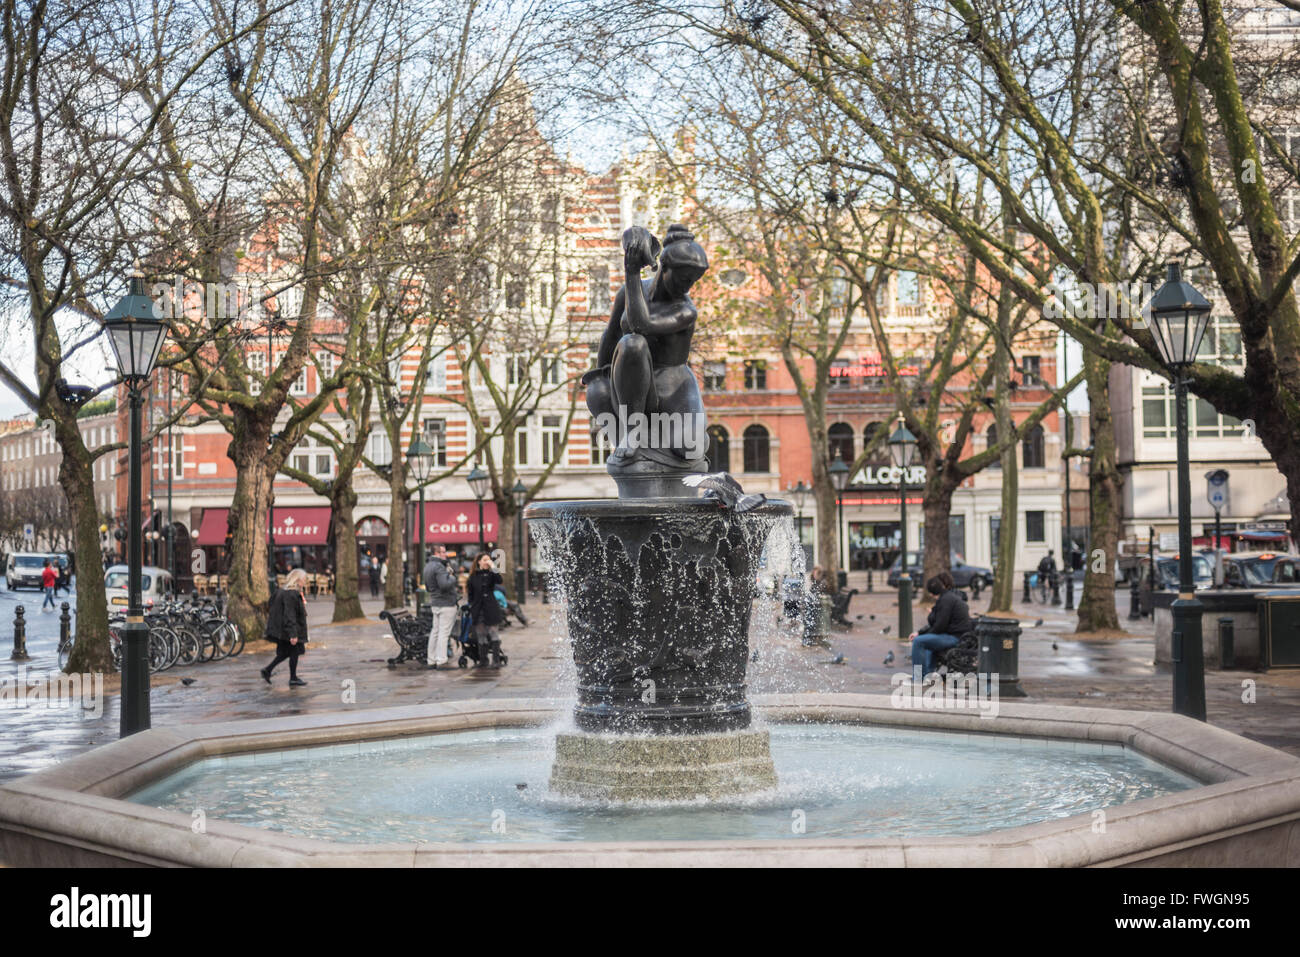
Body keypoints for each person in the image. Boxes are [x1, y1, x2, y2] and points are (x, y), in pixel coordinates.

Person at [906, 573, 973, 678]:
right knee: (926, 640)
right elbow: (938, 624)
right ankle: (928, 674)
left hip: (955, 637)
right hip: (956, 635)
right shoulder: (947, 598)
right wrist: (920, 632)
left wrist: (921, 635)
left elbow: (940, 625)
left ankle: (919, 677)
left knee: (919, 641)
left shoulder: (946, 600)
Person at [260, 567, 310, 687]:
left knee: (287, 652)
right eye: (304, 580)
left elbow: (271, 606)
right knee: (293, 651)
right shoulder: (291, 594)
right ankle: (292, 678)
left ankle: (268, 670)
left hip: (282, 629)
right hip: (288, 630)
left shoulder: (281, 591)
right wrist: (293, 634)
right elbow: (290, 614)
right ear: (297, 580)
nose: (305, 582)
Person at [423, 545, 460, 670]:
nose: (446, 554)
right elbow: (444, 585)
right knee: (443, 633)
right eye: (443, 552)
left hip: (435, 602)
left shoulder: (427, 566)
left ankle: (431, 660)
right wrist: (452, 577)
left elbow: (428, 587)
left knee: (435, 632)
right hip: (446, 603)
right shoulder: (439, 566)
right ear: (436, 553)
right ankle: (441, 660)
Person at [465, 553, 504, 667]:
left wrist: (493, 566)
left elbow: (499, 580)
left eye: (489, 559)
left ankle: (496, 661)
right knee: (481, 634)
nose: (487, 561)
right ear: (479, 562)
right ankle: (483, 660)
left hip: (491, 608)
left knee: (493, 633)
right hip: (478, 609)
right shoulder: (473, 576)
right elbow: (470, 594)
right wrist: (472, 606)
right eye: (485, 560)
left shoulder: (492, 575)